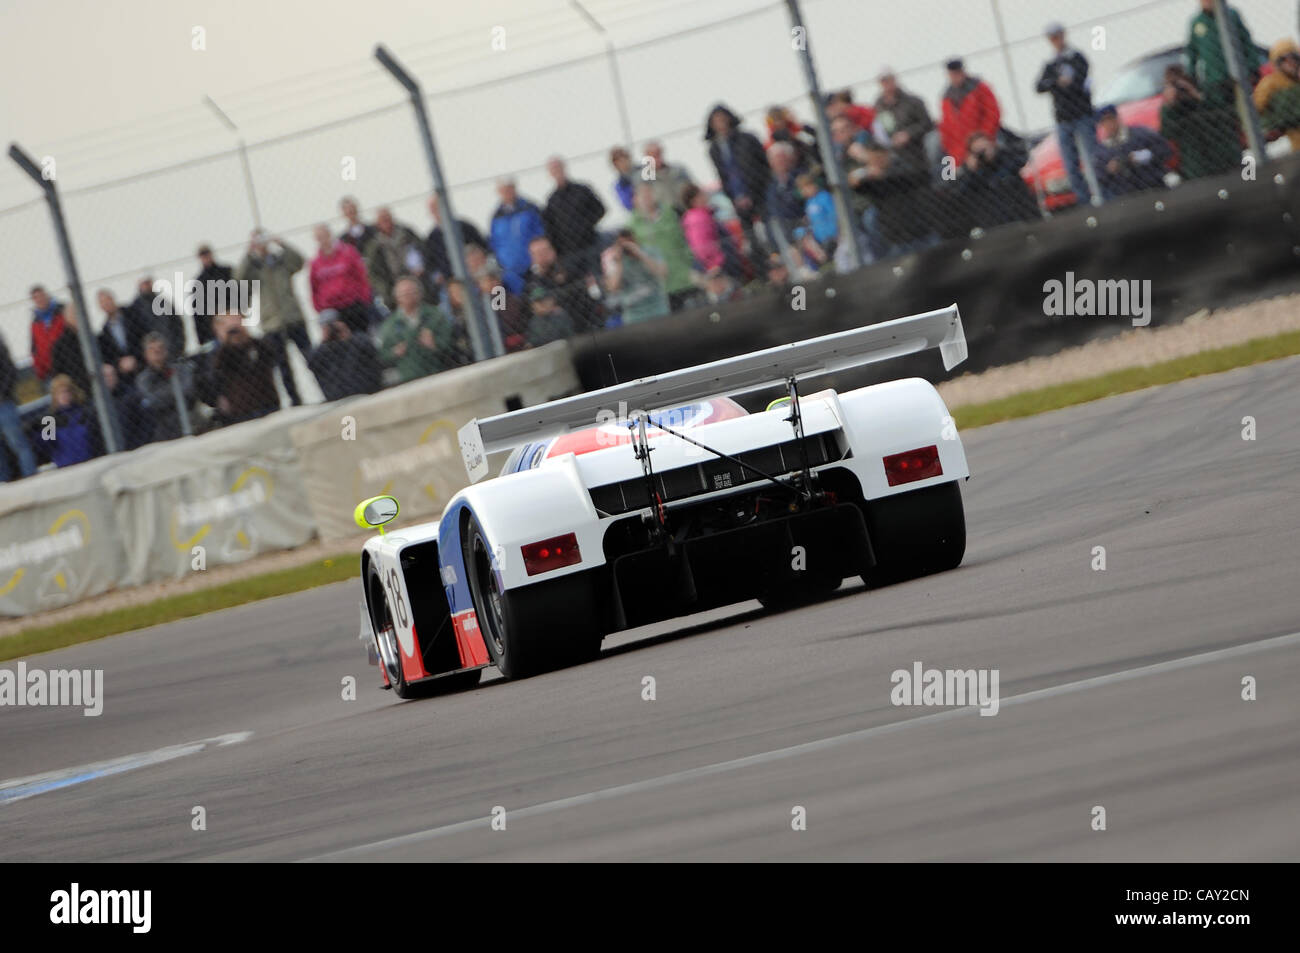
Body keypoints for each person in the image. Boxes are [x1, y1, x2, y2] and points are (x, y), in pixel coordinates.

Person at [237, 230, 310, 406]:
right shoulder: (255, 268)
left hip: (293, 318)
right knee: (283, 366)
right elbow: (239, 277)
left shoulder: (281, 261)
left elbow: (299, 261)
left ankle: (326, 388)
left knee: (311, 357)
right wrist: (249, 253)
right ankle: (295, 400)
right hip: (272, 324)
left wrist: (282, 243)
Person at [1035, 23, 1097, 206]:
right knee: (1070, 164)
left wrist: (1067, 84)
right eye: (1052, 38)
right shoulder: (1050, 64)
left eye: (1057, 36)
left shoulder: (1076, 57)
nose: (1056, 41)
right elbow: (1039, 86)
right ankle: (1083, 200)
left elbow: (1082, 79)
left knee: (1092, 158)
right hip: (1063, 119)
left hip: (1082, 115)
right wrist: (1056, 82)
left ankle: (1101, 195)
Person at [704, 103, 771, 252]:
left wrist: (755, 190)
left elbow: (763, 165)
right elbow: (722, 175)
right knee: (751, 238)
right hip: (737, 198)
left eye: (722, 119)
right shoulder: (715, 149)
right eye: (716, 121)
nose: (720, 124)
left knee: (770, 230)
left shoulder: (747, 139)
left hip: (760, 193)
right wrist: (733, 197)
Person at [1160, 64, 1241, 179]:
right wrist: (1171, 106)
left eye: (1179, 83)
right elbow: (1167, 133)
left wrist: (1196, 96)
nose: (1178, 89)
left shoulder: (1208, 93)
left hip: (1225, 156)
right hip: (1196, 164)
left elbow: (1230, 117)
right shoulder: (1169, 109)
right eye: (1172, 84)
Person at [377, 278, 461, 383]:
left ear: (420, 293)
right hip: (409, 379)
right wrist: (394, 352)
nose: (408, 295)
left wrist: (434, 344)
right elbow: (382, 355)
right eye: (404, 293)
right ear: (396, 297)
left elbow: (451, 344)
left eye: (411, 291)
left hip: (438, 374)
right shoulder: (389, 325)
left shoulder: (435, 315)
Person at [629, 184, 698, 312]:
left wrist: (691, 262)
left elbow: (687, 239)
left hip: (685, 273)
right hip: (659, 284)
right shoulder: (632, 225)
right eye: (642, 195)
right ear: (635, 200)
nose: (646, 198)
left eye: (649, 194)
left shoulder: (671, 213)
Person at [1186, 0, 1263, 110]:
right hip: (1214, 81)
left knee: (1244, 108)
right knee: (1222, 113)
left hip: (1238, 76)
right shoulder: (1197, 23)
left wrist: (1252, 67)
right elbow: (1192, 53)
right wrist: (1191, 78)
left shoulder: (1231, 15)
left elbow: (1247, 42)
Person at [953, 131, 1039, 228]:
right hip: (994, 222)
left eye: (984, 149)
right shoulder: (972, 173)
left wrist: (996, 154)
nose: (982, 154)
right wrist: (970, 171)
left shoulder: (1005, 157)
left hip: (1021, 214)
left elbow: (1021, 161)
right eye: (978, 152)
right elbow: (960, 192)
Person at [523, 235, 605, 333]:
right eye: (538, 253)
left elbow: (590, 286)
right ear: (532, 257)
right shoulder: (532, 280)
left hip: (584, 314)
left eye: (545, 250)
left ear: (553, 251)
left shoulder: (571, 267)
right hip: (557, 324)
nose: (543, 255)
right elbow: (538, 307)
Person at [542, 156, 607, 274]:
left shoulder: (582, 190)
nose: (557, 172)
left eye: (558, 168)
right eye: (554, 170)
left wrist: (585, 226)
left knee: (599, 275)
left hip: (590, 244)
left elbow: (600, 209)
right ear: (550, 174)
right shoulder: (552, 201)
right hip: (569, 252)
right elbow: (550, 228)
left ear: (564, 168)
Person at [1093, 105, 1175, 198]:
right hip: (1125, 195)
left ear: (1117, 118)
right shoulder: (1101, 151)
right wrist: (1109, 170)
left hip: (1153, 185)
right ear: (1101, 126)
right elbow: (1099, 176)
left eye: (1110, 119)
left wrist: (1143, 156)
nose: (1109, 124)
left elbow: (1165, 149)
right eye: (1104, 122)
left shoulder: (1139, 134)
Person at [309, 224, 373, 334]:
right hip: (331, 309)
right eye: (319, 238)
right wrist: (320, 308)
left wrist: (364, 298)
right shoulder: (315, 263)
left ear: (329, 234)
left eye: (324, 236)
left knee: (361, 337)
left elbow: (361, 276)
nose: (322, 240)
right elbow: (314, 287)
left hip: (353, 304)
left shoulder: (348, 252)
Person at [488, 177, 547, 295]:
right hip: (510, 271)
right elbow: (495, 242)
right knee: (509, 299)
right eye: (503, 190)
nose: (507, 192)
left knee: (537, 294)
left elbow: (540, 233)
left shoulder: (529, 208)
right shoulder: (496, 217)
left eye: (509, 188)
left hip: (532, 266)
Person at [212, 322, 279, 425]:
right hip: (242, 410)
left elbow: (270, 355)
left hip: (267, 402)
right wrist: (227, 339)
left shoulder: (256, 346)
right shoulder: (223, 355)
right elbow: (217, 372)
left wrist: (246, 336)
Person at [939, 58, 1003, 165]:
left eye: (957, 73)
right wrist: (958, 155)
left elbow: (993, 113)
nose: (955, 77)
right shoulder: (946, 98)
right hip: (960, 150)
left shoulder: (979, 88)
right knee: (947, 173)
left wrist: (983, 138)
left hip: (985, 141)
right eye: (952, 74)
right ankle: (949, 179)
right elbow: (946, 129)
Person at [307, 311, 383, 401]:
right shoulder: (322, 352)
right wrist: (324, 341)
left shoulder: (357, 342)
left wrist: (347, 336)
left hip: (365, 389)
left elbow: (371, 349)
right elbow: (311, 363)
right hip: (339, 395)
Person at [135, 332, 196, 441]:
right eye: (152, 349)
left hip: (187, 417)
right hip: (161, 427)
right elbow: (152, 401)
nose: (157, 352)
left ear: (166, 350)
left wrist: (162, 394)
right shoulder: (143, 379)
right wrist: (175, 392)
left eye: (160, 348)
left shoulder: (181, 369)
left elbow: (188, 391)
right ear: (145, 354)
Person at [602, 229, 669, 325]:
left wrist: (640, 254)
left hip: (658, 308)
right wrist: (619, 263)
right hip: (633, 315)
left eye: (630, 241)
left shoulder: (650, 251)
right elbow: (613, 288)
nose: (627, 246)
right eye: (623, 244)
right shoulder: (615, 259)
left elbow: (662, 273)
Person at [873, 68, 935, 174]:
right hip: (892, 150)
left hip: (918, 146)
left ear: (895, 80)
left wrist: (908, 134)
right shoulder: (878, 106)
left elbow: (927, 123)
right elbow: (878, 129)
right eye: (883, 81)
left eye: (889, 80)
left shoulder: (913, 101)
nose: (887, 84)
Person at [363, 207, 426, 308]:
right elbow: (373, 273)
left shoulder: (407, 233)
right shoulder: (374, 246)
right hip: (392, 285)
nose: (386, 222)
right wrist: (385, 291)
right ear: (377, 224)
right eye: (382, 220)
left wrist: (421, 267)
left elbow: (423, 250)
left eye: (387, 218)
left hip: (416, 278)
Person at [424, 194, 488, 289]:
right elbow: (431, 264)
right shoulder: (432, 237)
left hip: (475, 279)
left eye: (437, 208)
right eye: (433, 210)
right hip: (451, 286)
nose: (436, 213)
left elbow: (484, 248)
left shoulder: (465, 227)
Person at [0, 333, 38, 481]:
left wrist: (3, 394)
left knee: (18, 443)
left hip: (4, 403)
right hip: (5, 402)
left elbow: (10, 371)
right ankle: (4, 482)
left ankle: (31, 477)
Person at [44, 375, 102, 467]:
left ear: (72, 393)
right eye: (60, 393)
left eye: (66, 392)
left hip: (89, 461)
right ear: (55, 396)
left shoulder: (84, 412)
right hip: (65, 465)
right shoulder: (50, 419)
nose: (64, 396)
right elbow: (47, 446)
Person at [1253, 39, 1300, 152]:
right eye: (1283, 59)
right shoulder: (1270, 83)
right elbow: (1256, 106)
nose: (1290, 63)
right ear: (1277, 64)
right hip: (1288, 128)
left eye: (1293, 57)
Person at [191, 245, 233, 346]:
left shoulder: (226, 272)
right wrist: (201, 338)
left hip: (231, 322)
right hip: (212, 332)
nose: (206, 257)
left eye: (207, 254)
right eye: (203, 255)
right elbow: (197, 312)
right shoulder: (199, 282)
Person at [28, 285, 68, 385]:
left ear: (47, 295)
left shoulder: (62, 311)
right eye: (36, 298)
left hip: (68, 365)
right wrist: (40, 372)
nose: (40, 299)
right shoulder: (35, 323)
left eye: (41, 295)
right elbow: (34, 349)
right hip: (50, 372)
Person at [642, 141, 694, 214]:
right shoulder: (645, 180)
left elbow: (693, 191)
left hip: (687, 212)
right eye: (652, 155)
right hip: (666, 219)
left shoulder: (678, 171)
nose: (656, 158)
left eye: (658, 154)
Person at [797, 173, 839, 260]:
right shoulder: (809, 202)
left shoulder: (824, 196)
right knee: (799, 232)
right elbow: (811, 220)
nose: (805, 191)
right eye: (803, 188)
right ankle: (821, 256)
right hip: (818, 236)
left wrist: (836, 232)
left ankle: (824, 255)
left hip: (831, 234)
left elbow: (833, 214)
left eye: (808, 186)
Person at [610, 146, 636, 211]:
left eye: (624, 159)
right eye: (619, 161)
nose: (623, 163)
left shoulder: (643, 171)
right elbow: (628, 204)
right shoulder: (620, 185)